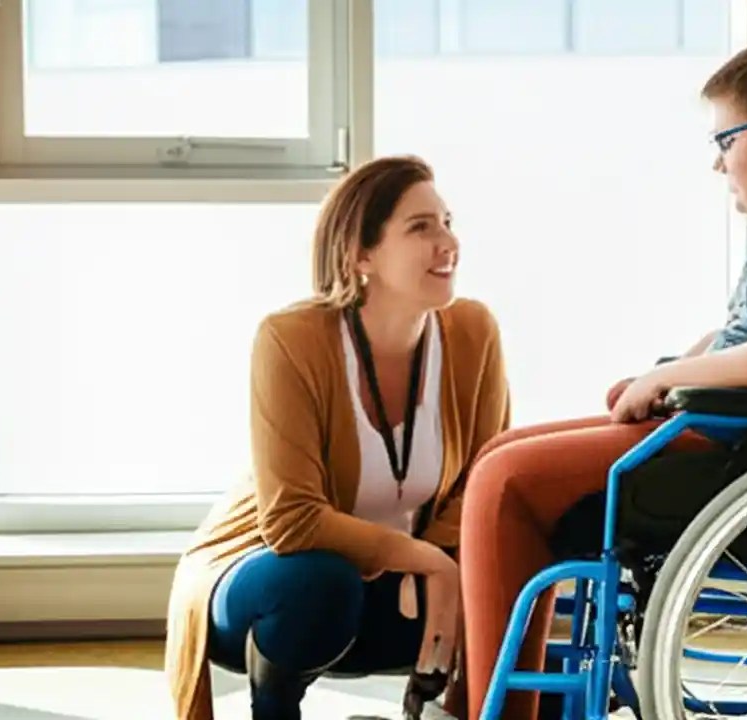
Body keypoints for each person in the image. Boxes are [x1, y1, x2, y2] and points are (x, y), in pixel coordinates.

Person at [457, 35, 747, 720]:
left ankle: (493, 713)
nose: (718, 163)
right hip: (740, 429)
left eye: (728, 140)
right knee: (500, 454)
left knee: (505, 484)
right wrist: (672, 369)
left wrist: (679, 376)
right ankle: (484, 699)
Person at [164, 155, 511, 720]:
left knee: (500, 581)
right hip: (269, 577)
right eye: (421, 227)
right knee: (319, 583)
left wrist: (438, 567)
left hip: (397, 589)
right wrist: (425, 560)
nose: (448, 242)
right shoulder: (291, 340)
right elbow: (291, 521)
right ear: (361, 253)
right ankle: (274, 709)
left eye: (447, 222)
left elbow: (482, 479)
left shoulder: (473, 332)